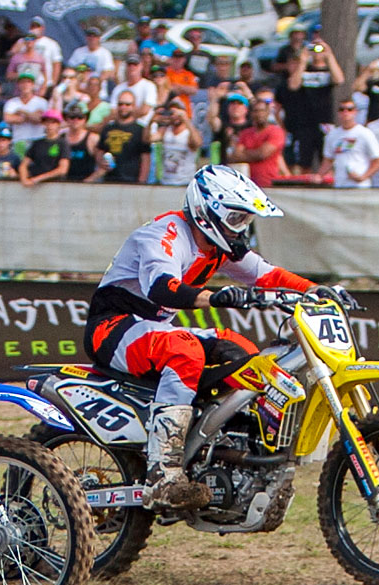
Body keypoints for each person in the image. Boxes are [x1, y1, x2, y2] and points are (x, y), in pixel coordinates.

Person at [87, 166, 319, 509]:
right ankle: (163, 472)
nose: (241, 228)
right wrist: (217, 297)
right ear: (207, 210)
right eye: (236, 218)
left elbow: (267, 275)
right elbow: (162, 288)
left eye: (245, 220)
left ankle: (222, 453)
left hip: (154, 329)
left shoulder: (215, 247)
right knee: (185, 351)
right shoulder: (164, 234)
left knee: (248, 355)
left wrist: (317, 291)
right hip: (113, 328)